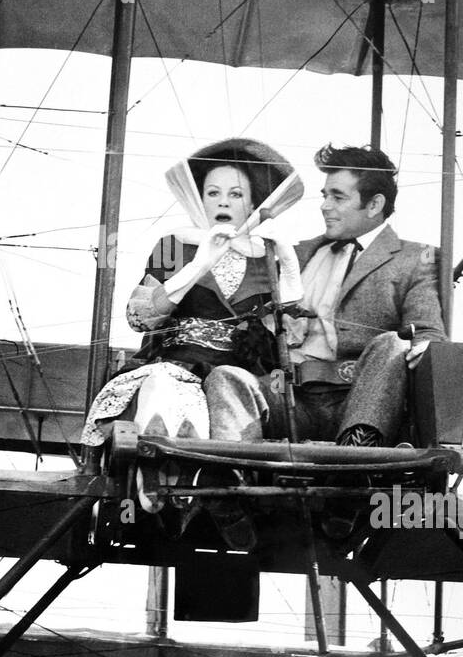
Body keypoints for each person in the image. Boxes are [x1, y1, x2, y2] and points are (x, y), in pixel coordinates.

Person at [204, 144, 446, 446]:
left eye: (338, 196)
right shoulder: (295, 253)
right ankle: (233, 474)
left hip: (357, 399)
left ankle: (356, 452)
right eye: (325, 195)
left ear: (374, 205)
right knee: (226, 378)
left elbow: (429, 334)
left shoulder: (414, 259)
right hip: (289, 394)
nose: (325, 205)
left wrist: (423, 346)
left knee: (394, 343)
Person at [81, 138, 302, 452]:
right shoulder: (175, 244)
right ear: (200, 200)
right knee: (163, 388)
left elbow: (292, 339)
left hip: (236, 382)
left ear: (252, 205)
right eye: (213, 193)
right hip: (174, 365)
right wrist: (200, 264)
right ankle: (161, 463)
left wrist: (289, 261)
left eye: (235, 194)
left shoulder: (268, 259)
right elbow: (139, 318)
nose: (223, 203)